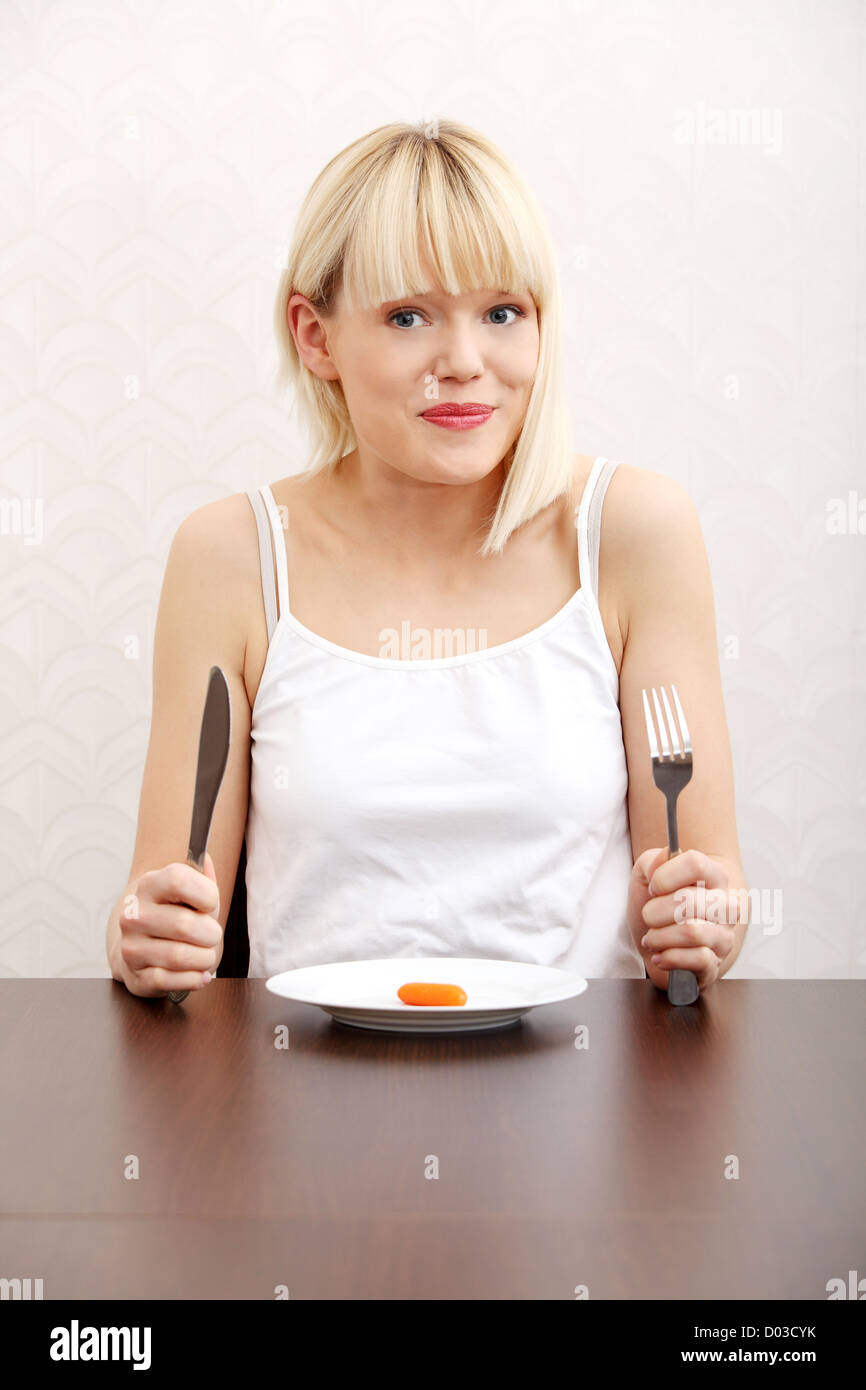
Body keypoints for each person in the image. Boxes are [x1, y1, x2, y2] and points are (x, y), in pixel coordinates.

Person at [106, 118, 749, 1000]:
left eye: (502, 313)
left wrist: (702, 919)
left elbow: (712, 892)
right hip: (306, 1093)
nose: (464, 363)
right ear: (314, 335)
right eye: (409, 316)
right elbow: (163, 904)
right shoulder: (230, 555)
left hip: (580, 1098)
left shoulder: (637, 531)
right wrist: (148, 940)